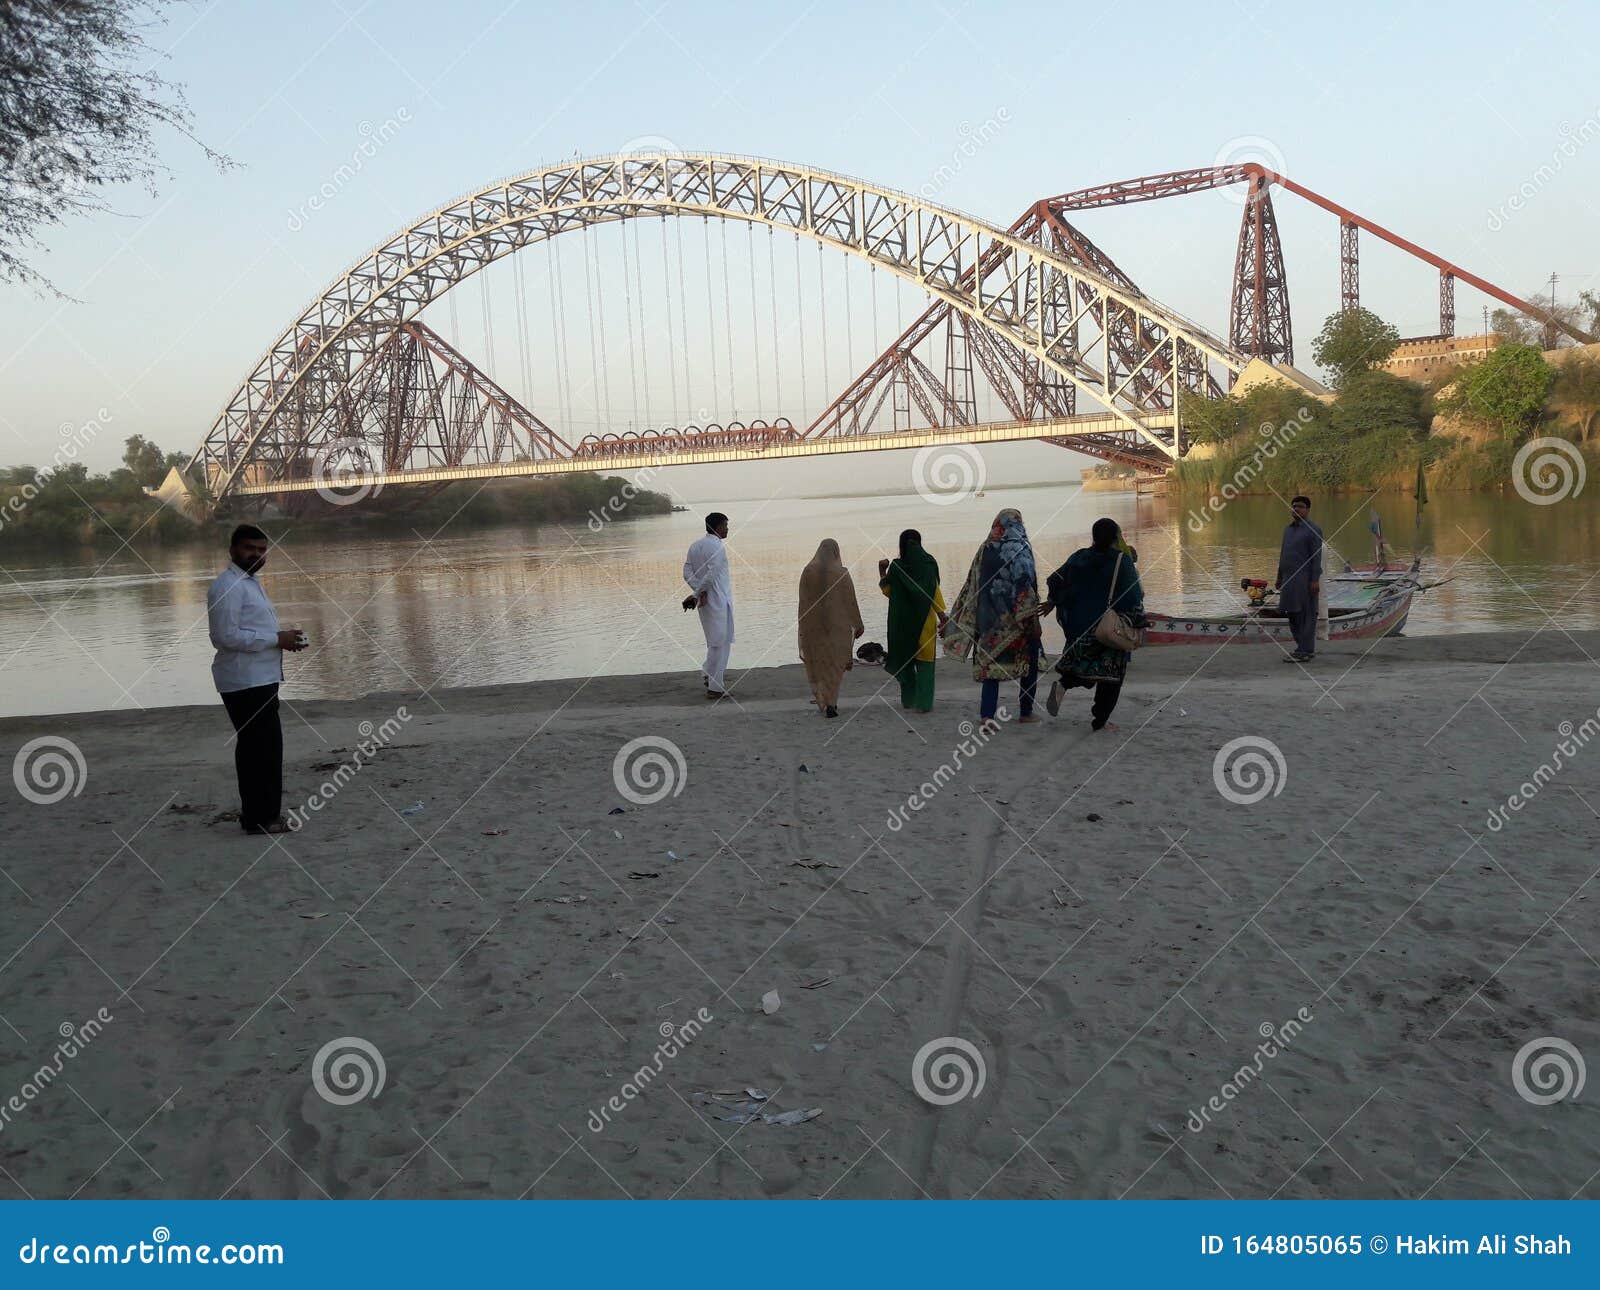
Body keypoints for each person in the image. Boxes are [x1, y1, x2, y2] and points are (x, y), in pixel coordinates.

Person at [207, 524, 307, 835]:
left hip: (258, 678)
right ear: (233, 550)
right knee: (260, 751)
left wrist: (283, 639)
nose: (257, 554)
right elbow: (224, 637)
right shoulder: (228, 586)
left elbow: (250, 630)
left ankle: (260, 816)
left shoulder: (248, 582)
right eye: (250, 548)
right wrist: (276, 638)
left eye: (262, 549)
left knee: (263, 749)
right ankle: (260, 819)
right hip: (243, 680)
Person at [1041, 517, 1144, 731]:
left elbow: (1057, 579)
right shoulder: (1120, 561)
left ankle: (1062, 685)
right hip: (1107, 626)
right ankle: (1100, 721)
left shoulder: (1080, 557)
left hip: (1081, 626)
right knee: (1111, 676)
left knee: (1081, 666)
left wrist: (1053, 601)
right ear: (1116, 537)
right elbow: (1134, 595)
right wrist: (1138, 620)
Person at [942, 508, 1042, 724]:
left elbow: (973, 583)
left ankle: (987, 716)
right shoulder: (1020, 547)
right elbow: (1026, 585)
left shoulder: (985, 548)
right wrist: (1032, 618)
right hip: (1017, 621)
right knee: (1029, 663)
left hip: (989, 622)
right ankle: (1025, 712)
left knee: (990, 668)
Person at [878, 529, 944, 713]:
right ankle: (924, 704)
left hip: (902, 625)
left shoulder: (897, 567)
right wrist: (943, 617)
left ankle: (908, 701)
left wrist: (882, 572)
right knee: (926, 665)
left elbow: (889, 592)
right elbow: (935, 592)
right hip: (925, 623)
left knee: (906, 661)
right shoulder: (929, 564)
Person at [797, 539, 864, 718]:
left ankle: (823, 699)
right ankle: (832, 702)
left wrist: (803, 624)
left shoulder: (808, 572)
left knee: (819, 663)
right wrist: (858, 623)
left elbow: (802, 602)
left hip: (813, 626)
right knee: (835, 665)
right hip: (837, 626)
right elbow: (850, 601)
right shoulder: (841, 573)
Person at [683, 512, 735, 698]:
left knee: (720, 640)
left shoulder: (695, 546)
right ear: (718, 527)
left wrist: (698, 590)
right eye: (726, 525)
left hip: (708, 599)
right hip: (717, 600)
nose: (728, 528)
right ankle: (715, 687)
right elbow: (712, 575)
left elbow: (687, 570)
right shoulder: (717, 548)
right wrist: (698, 592)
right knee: (719, 642)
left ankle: (708, 673)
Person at [1275, 495, 1323, 662]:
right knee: (1292, 613)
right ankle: (1300, 647)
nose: (1296, 509)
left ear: (1307, 510)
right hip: (1288, 579)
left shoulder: (1313, 530)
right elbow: (1283, 555)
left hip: (1305, 579)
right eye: (1294, 506)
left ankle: (1305, 650)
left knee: (1306, 614)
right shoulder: (1288, 530)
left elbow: (1317, 557)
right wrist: (1279, 577)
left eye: (1300, 506)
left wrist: (1315, 580)